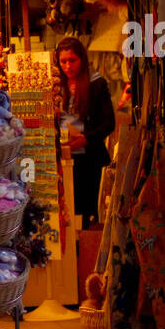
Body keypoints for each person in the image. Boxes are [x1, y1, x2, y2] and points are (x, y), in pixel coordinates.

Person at [54, 37, 116, 224]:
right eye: (63, 61)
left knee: (87, 211)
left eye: (72, 60)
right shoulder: (57, 85)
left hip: (89, 159)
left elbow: (109, 123)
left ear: (82, 58)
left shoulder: (96, 84)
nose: (67, 66)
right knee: (68, 212)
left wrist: (86, 139)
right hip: (65, 158)